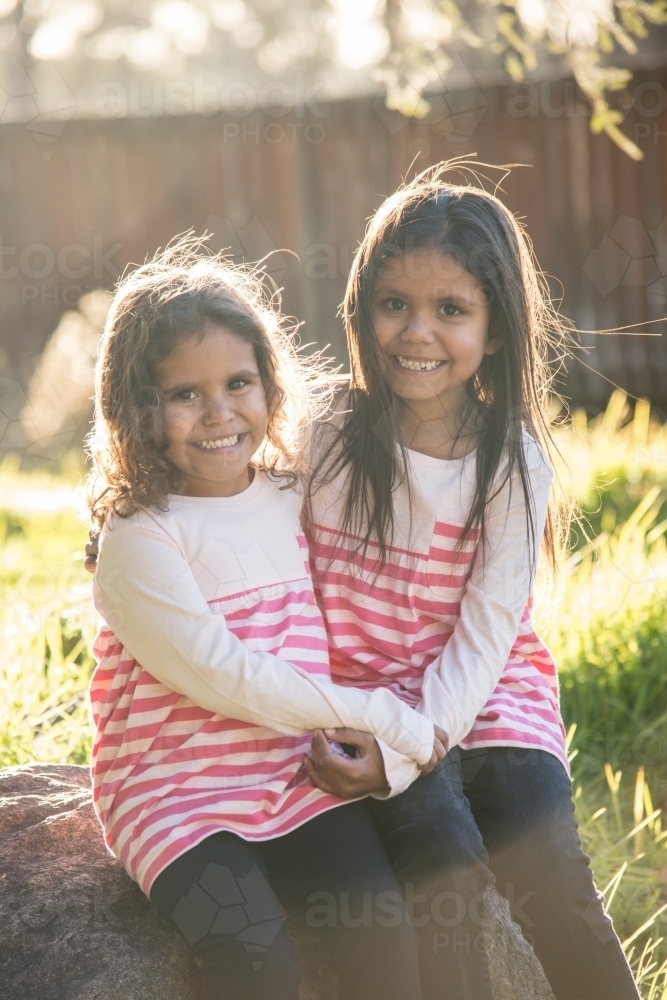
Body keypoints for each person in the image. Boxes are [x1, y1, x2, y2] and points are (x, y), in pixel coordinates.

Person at [301, 164, 641, 1000]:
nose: (415, 332)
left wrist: (415, 746)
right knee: (442, 861)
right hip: (364, 696)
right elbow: (226, 504)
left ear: (494, 329)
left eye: (450, 310)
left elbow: (487, 634)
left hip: (485, 694)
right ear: (360, 309)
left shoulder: (510, 461)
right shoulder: (321, 430)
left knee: (550, 875)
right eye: (393, 305)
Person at [86, 237, 445, 1000]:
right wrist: (389, 718)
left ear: (268, 384)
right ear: (137, 408)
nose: (219, 414)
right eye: (185, 394)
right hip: (176, 793)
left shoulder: (290, 494)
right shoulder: (141, 535)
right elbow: (230, 678)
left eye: (238, 383)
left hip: (292, 770)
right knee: (257, 963)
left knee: (382, 937)